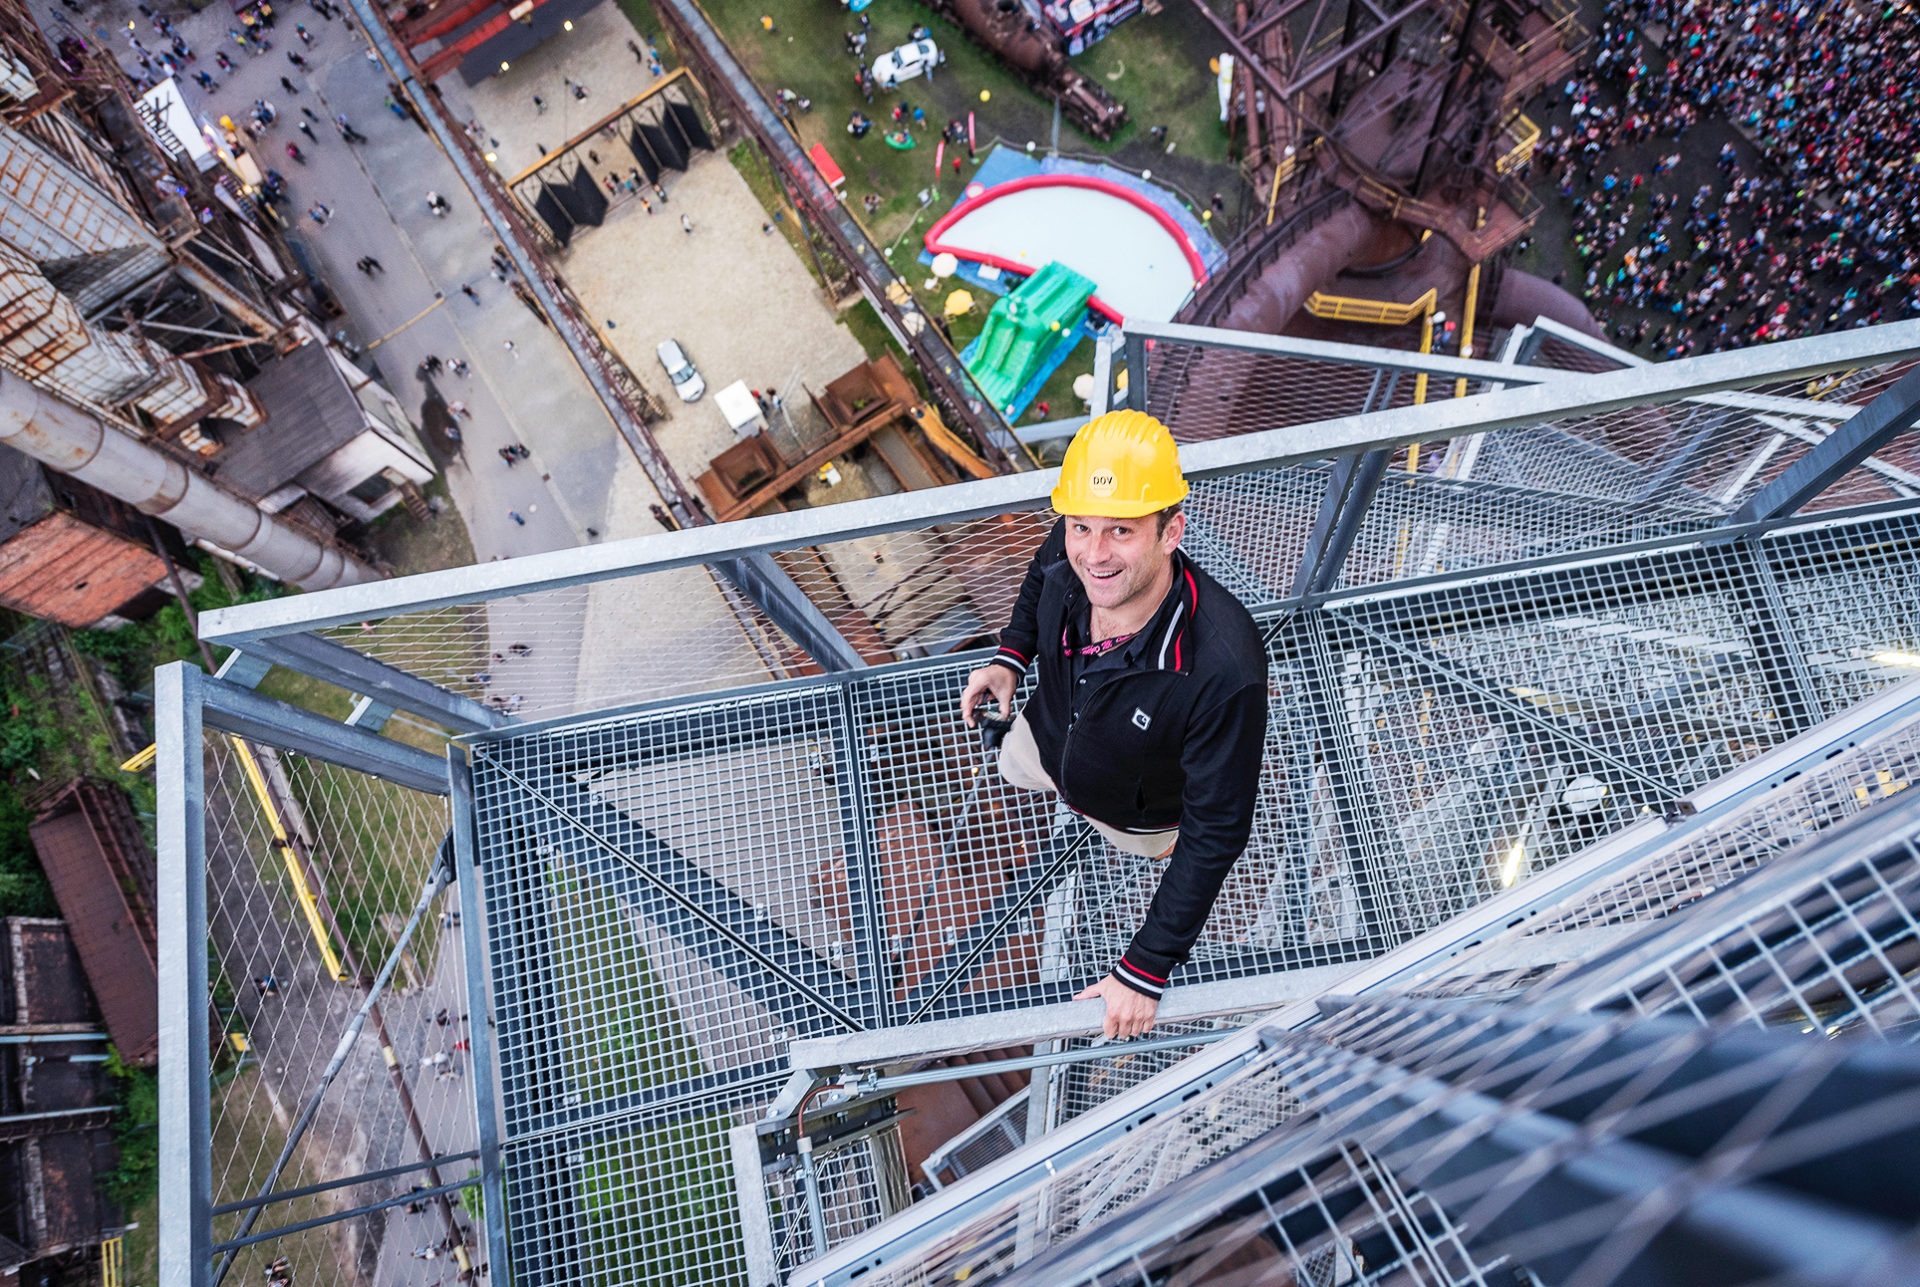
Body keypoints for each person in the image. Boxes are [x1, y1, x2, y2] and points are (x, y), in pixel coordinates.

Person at [958, 411, 1269, 1038]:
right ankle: (1039, 772)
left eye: (1121, 532)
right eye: (1082, 527)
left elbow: (1218, 829)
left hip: (1138, 818)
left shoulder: (1221, 668)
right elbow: (1040, 575)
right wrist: (1012, 655)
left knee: (1167, 844)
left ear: (1171, 531)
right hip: (1048, 738)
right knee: (1015, 764)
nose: (1093, 555)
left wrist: (1147, 967)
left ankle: (1146, 839)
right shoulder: (1073, 548)